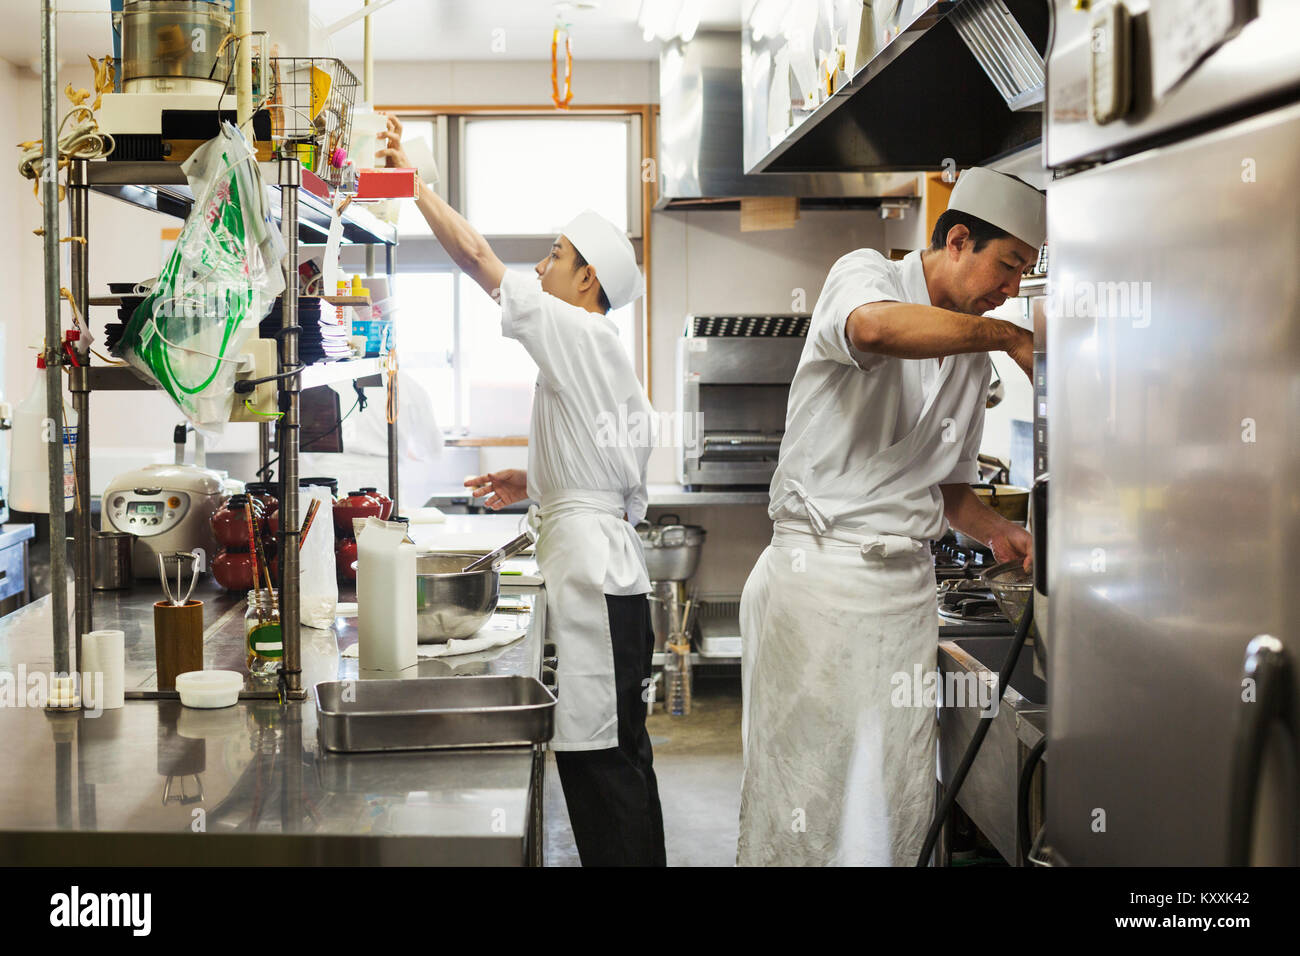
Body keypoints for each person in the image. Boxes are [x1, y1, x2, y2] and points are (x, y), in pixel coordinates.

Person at [378, 115, 665, 866]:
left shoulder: (584, 333)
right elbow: (608, 466)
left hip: (596, 586)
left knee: (600, 761)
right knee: (619, 757)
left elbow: (477, 259)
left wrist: (416, 187)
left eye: (555, 255)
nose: (540, 268)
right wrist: (531, 479)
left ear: (587, 281)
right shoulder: (600, 351)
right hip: (608, 578)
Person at [737, 167, 1044, 866]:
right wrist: (1003, 333)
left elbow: (945, 488)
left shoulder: (970, 360)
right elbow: (872, 329)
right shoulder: (866, 273)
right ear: (959, 239)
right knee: (806, 807)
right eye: (1008, 267)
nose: (1013, 289)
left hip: (900, 603)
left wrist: (1000, 531)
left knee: (888, 808)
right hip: (818, 585)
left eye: (1024, 275)